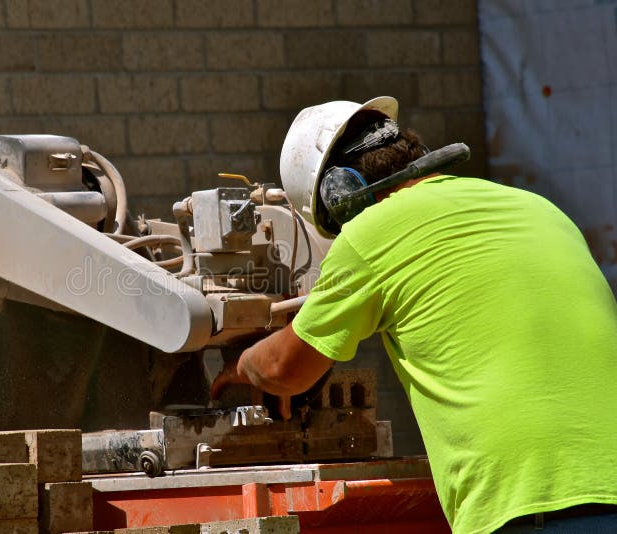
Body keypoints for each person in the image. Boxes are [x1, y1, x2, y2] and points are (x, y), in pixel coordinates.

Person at [211, 97, 617, 533]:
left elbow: (283, 367)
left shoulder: (372, 233)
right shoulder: (538, 209)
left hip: (532, 503)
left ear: (339, 195)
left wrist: (238, 366)